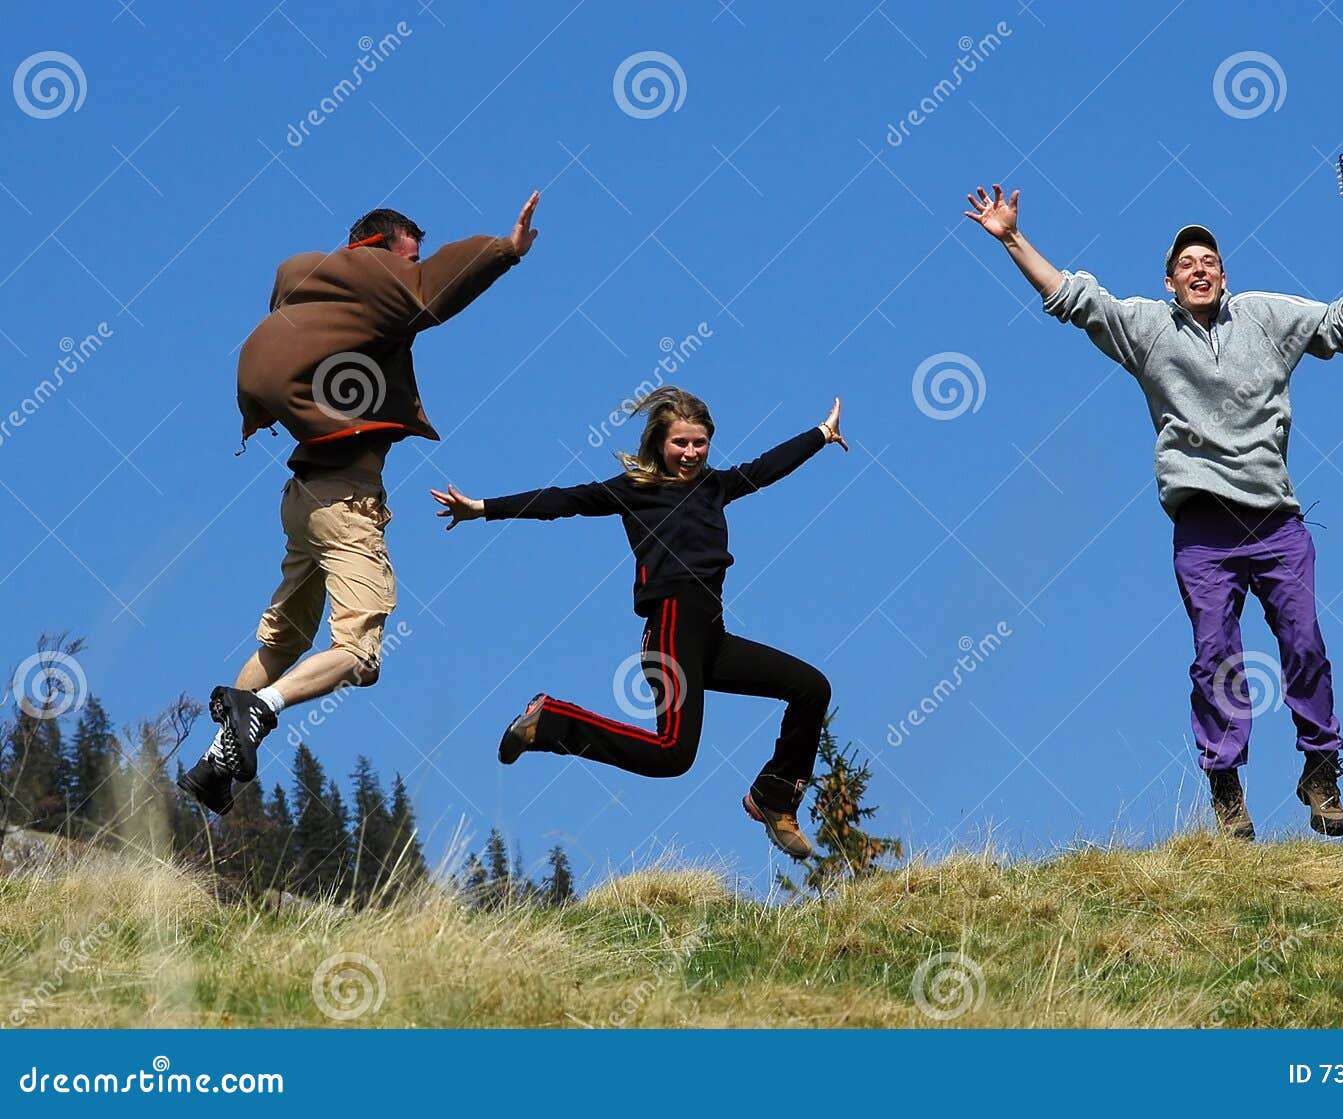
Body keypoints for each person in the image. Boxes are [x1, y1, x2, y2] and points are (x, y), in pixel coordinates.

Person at [965, 182, 1343, 840]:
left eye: (1210, 262)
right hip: (1204, 528)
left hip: (1275, 521)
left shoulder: (1262, 316)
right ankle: (1226, 785)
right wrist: (1012, 238)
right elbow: (1073, 299)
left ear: (1224, 276)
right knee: (1216, 657)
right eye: (1187, 264)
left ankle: (1320, 769)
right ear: (1169, 282)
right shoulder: (1149, 331)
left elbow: (1338, 326)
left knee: (1305, 643)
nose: (1200, 269)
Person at [178, 191, 542, 815]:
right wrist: (504, 251)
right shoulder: (371, 280)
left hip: (302, 502)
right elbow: (433, 289)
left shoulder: (321, 297)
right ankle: (259, 709)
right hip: (345, 504)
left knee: (283, 641)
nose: (410, 268)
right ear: (378, 248)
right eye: (408, 256)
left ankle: (216, 763)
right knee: (358, 655)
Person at [430, 387, 847, 859]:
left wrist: (821, 434)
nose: (690, 453)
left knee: (811, 688)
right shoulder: (636, 489)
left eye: (700, 443)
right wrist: (482, 508)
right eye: (680, 443)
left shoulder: (716, 486)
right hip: (670, 627)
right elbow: (564, 501)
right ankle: (551, 722)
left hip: (711, 637)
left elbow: (766, 468)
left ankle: (774, 796)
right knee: (673, 754)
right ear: (660, 443)